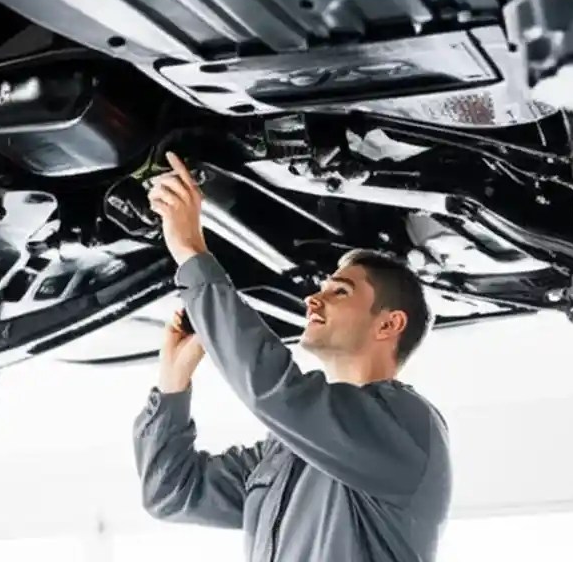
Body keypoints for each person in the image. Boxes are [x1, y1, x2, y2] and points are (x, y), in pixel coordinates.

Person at [133, 152, 451, 562]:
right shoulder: (284, 452)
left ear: (389, 325)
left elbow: (277, 393)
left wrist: (192, 252)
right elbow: (171, 493)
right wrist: (172, 385)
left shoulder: (407, 427)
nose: (312, 298)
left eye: (340, 292)